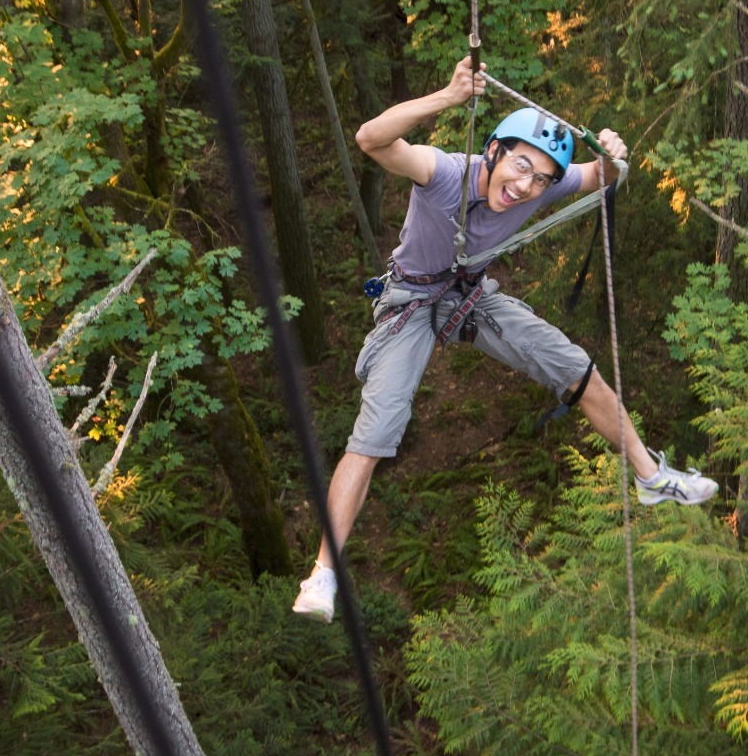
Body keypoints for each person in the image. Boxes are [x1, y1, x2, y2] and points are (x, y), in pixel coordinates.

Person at [293, 55, 718, 623]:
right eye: (519, 166)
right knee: (377, 430)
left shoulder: (543, 184)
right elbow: (371, 138)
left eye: (541, 178)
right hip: (411, 303)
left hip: (470, 294)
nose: (526, 186)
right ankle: (322, 575)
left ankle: (650, 476)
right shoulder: (445, 173)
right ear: (493, 152)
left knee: (575, 368)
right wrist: (448, 96)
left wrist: (613, 157)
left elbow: (599, 177)